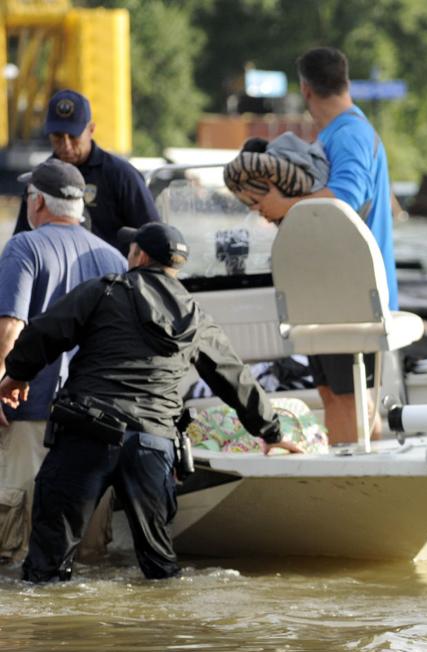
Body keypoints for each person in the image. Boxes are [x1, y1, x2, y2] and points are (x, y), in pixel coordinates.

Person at [0, 222, 302, 583]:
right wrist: (270, 431)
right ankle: (163, 634)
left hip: (87, 435)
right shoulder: (195, 317)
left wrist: (16, 375)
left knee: (47, 568)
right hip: (152, 445)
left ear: (140, 256)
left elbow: (44, 332)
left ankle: (51, 635)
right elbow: (234, 377)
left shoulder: (103, 291)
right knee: (160, 570)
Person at [250, 47, 396, 445]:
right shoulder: (345, 131)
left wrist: (282, 205)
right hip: (335, 292)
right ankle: (358, 470)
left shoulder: (349, 133)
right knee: (335, 395)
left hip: (351, 295)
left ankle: (356, 486)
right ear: (345, 81)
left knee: (348, 399)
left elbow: (344, 198)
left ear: (305, 89)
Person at [0, 159, 128, 564]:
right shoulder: (116, 260)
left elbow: (9, 329)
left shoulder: (25, 246)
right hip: (98, 422)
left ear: (36, 203)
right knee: (87, 554)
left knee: (19, 552)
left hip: (32, 411)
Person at [11, 89, 160, 250]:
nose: (66, 145)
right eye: (58, 137)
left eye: (73, 137)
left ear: (91, 130)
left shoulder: (122, 176)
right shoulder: (40, 180)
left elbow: (155, 237)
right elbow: (21, 239)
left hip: (113, 272)